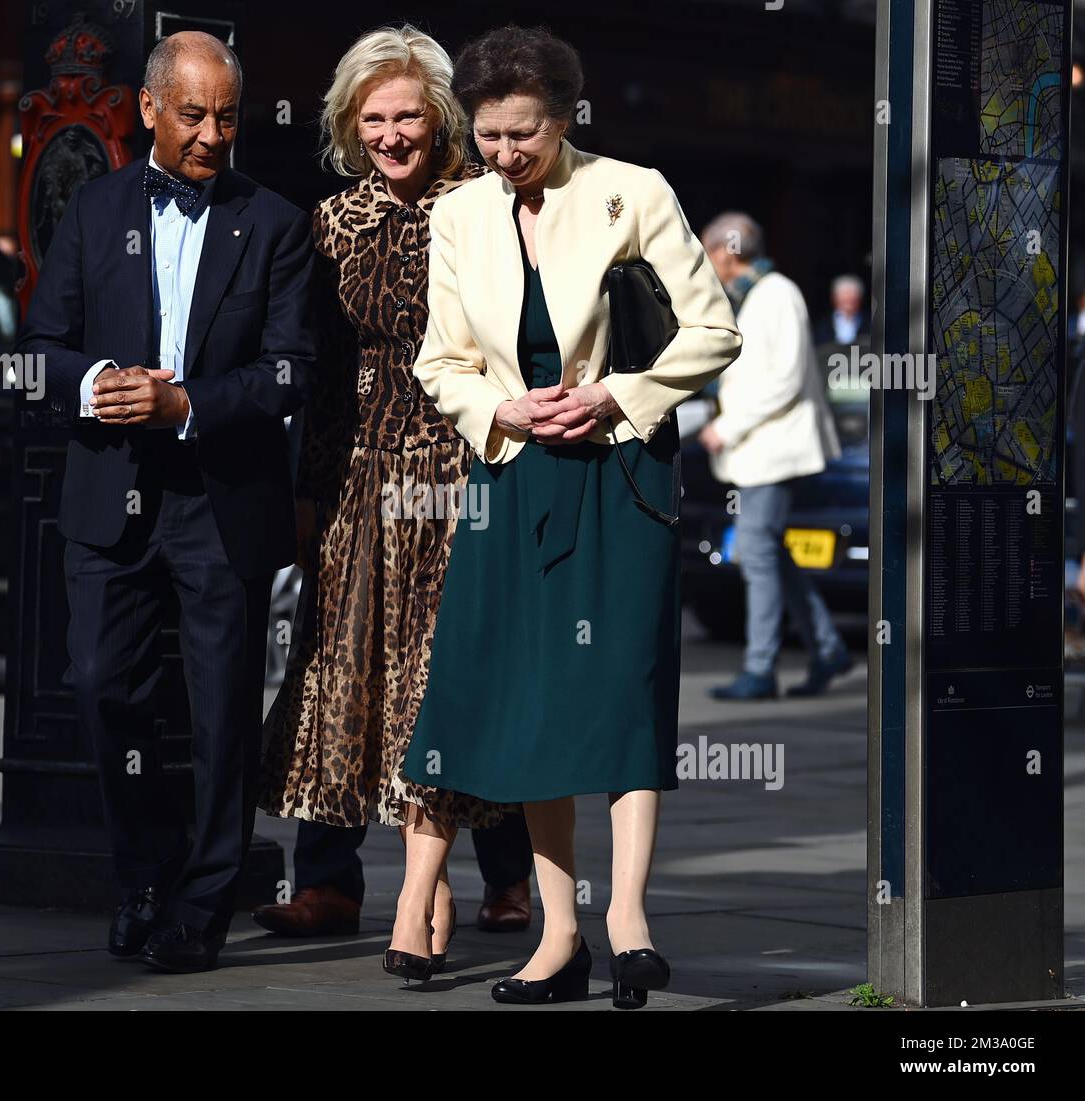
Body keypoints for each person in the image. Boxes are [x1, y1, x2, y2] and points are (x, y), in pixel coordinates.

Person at [400, 25, 742, 1007]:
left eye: (523, 135)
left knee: (624, 691)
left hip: (621, 473)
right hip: (514, 477)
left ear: (564, 116)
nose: (504, 153)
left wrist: (616, 398)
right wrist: (499, 409)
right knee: (540, 705)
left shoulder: (632, 190)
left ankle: (627, 921)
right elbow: (440, 360)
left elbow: (714, 328)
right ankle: (560, 938)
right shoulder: (459, 213)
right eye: (489, 135)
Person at [16, 31, 316, 973]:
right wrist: (95, 378)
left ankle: (204, 901)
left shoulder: (274, 222)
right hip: (110, 492)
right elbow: (41, 345)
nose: (212, 135)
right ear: (149, 108)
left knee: (225, 713)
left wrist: (189, 404)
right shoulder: (96, 209)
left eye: (227, 116)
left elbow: (290, 371)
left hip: (219, 496)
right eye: (193, 115)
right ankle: (144, 873)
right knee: (104, 685)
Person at [257, 24, 532, 966]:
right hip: (355, 475)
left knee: (451, 675)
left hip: (463, 471)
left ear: (441, 115)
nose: (391, 135)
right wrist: (305, 492)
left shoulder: (493, 207)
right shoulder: (332, 222)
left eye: (407, 115)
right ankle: (328, 879)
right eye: (372, 118)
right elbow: (323, 375)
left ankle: (503, 873)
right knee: (337, 669)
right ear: (347, 122)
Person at [697, 212, 853, 700]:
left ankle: (761, 668)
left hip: (774, 451)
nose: (706, 263)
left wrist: (726, 426)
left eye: (708, 253)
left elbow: (783, 381)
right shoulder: (755, 295)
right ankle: (827, 648)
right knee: (770, 552)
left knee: (758, 552)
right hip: (761, 452)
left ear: (727, 251)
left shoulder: (776, 293)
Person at [811, 273, 869, 348]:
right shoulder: (821, 327)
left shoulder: (871, 324)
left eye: (852, 299)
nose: (848, 302)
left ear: (860, 299)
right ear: (834, 298)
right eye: (844, 299)